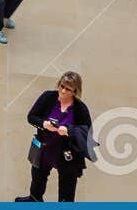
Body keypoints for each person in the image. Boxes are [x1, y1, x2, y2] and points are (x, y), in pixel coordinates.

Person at [18, 72, 93, 202]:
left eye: (68, 89)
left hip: (67, 154)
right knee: (37, 179)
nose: (63, 91)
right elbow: (31, 117)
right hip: (44, 148)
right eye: (61, 86)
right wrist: (44, 124)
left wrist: (69, 130)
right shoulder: (48, 97)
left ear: (75, 91)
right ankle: (34, 200)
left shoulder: (80, 108)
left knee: (67, 188)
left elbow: (87, 132)